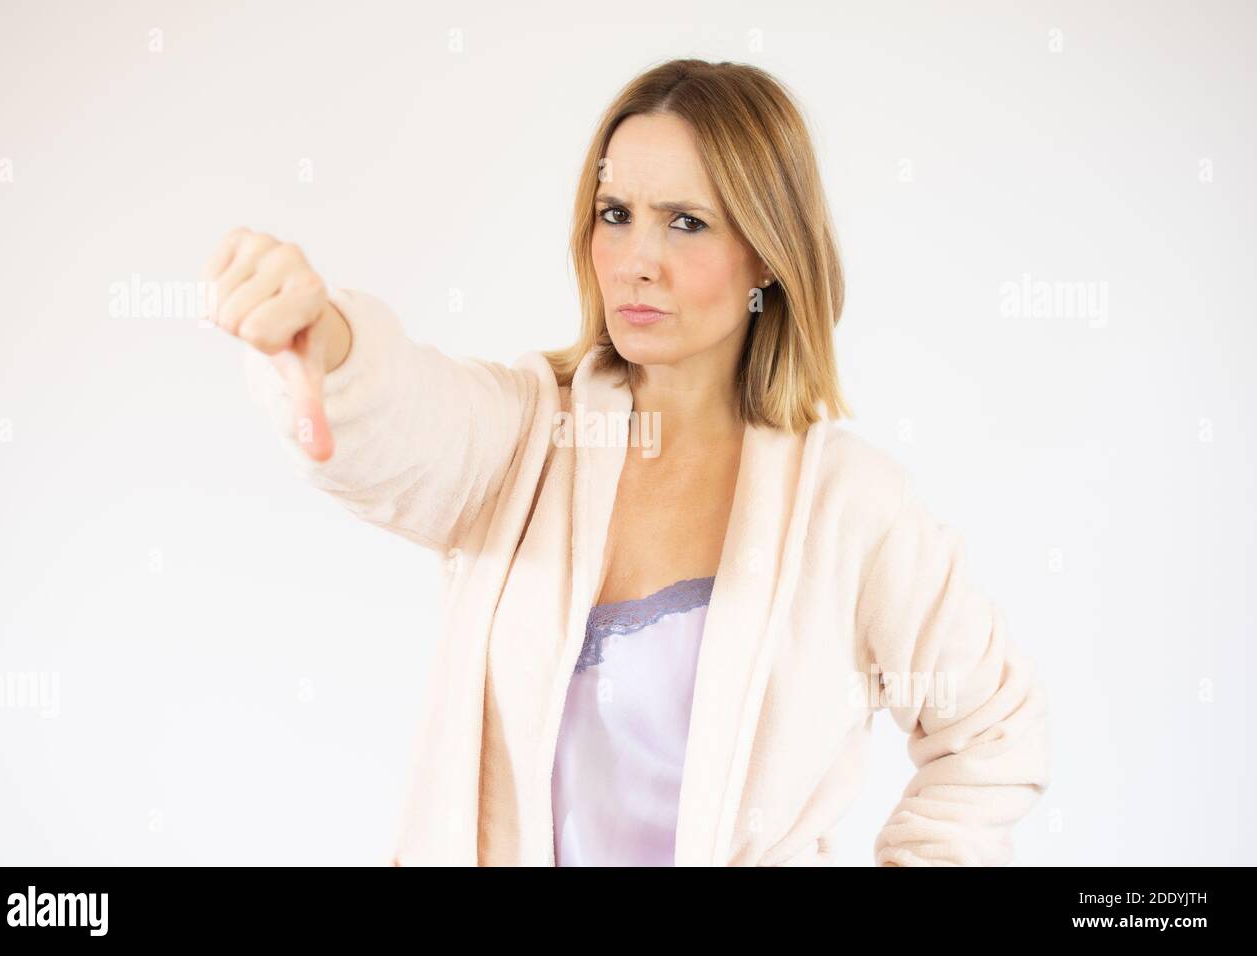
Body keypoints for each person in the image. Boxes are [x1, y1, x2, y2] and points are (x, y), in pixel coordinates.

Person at [204, 58, 1050, 866]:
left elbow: (992, 732)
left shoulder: (849, 503)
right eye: (616, 214)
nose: (637, 259)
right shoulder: (525, 437)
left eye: (686, 222)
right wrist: (326, 340)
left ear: (765, 253)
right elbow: (401, 414)